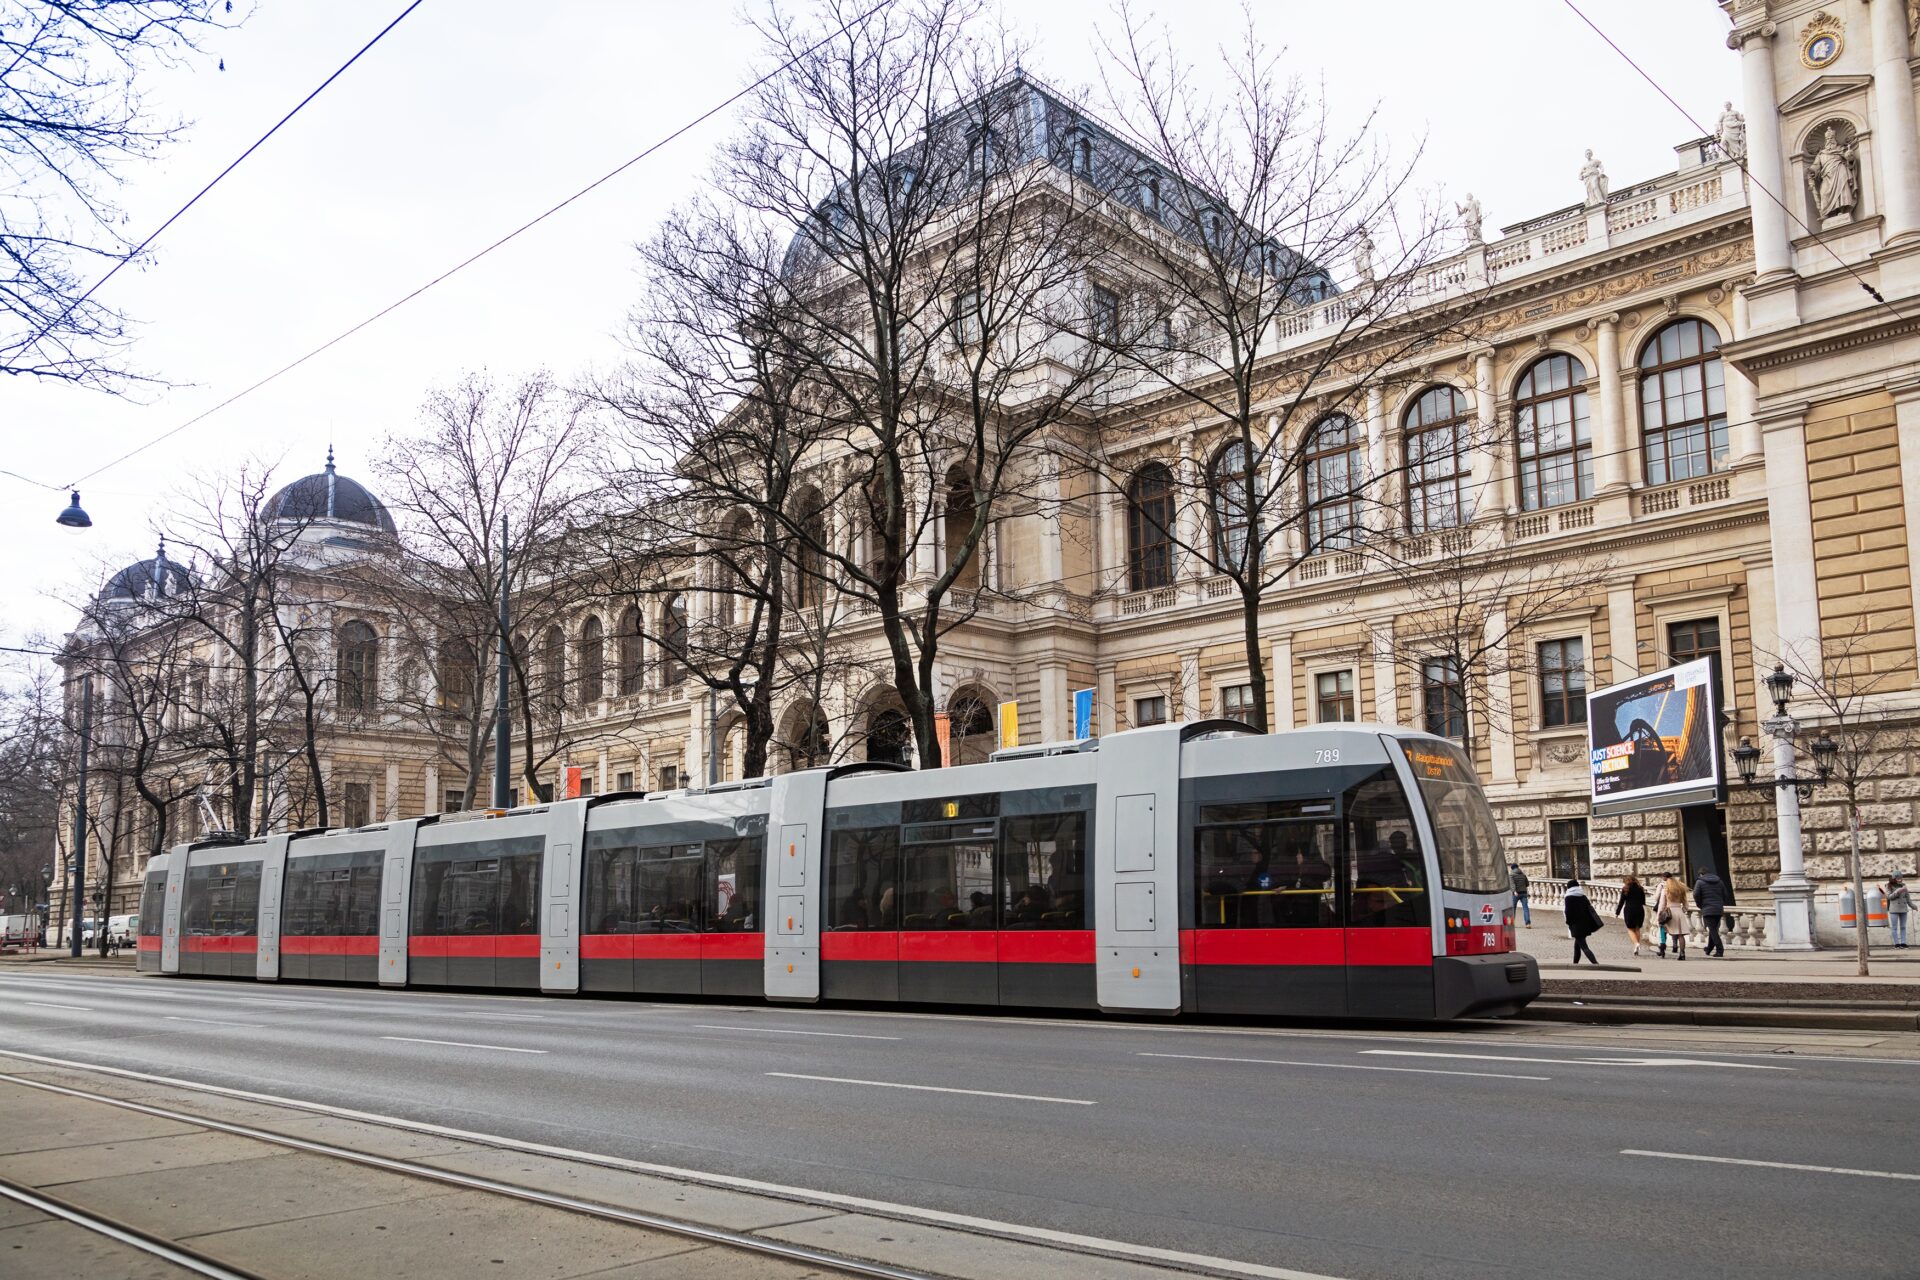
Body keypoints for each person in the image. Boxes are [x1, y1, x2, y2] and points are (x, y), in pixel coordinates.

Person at [1692, 867, 1729, 957]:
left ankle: (1720, 950)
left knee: (1712, 930)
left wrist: (1700, 905)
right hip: (1718, 908)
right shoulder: (1719, 881)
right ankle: (1709, 949)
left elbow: (1696, 894)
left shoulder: (1699, 882)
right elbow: (1725, 894)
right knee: (1713, 929)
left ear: (1701, 874)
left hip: (1707, 908)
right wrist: (1720, 903)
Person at [1564, 879, 1603, 965]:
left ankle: (1595, 964)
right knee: (1577, 946)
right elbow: (1589, 909)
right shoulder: (1583, 896)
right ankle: (1575, 964)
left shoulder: (1568, 897)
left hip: (1576, 925)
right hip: (1585, 924)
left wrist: (1568, 922)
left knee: (1584, 947)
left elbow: (1568, 912)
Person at [1653, 873, 1689, 960]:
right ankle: (1682, 953)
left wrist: (1659, 915)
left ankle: (1662, 949)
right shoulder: (1681, 889)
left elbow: (1661, 904)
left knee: (1663, 929)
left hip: (1669, 912)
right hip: (1679, 911)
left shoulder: (1666, 889)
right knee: (1680, 935)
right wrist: (1683, 910)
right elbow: (1686, 904)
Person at [1616, 874, 1647, 956]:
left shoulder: (1625, 889)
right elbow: (1643, 901)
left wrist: (1617, 912)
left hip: (1629, 910)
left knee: (1630, 929)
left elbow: (1621, 902)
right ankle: (1636, 948)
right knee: (1637, 928)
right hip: (1639, 909)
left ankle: (1636, 943)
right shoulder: (1640, 888)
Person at [1885, 874, 1911, 949]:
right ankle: (1897, 944)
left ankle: (1903, 943)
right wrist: (1898, 891)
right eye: (1898, 878)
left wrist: (1913, 906)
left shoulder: (1904, 885)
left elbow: (1907, 898)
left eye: (1901, 878)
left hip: (1903, 908)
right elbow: (1889, 897)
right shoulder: (1888, 885)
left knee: (1903, 927)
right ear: (1894, 878)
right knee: (1894, 927)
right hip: (1894, 909)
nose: (1900, 879)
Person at [1508, 861, 1532, 927]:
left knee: (1513, 908)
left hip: (1516, 894)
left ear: (1512, 868)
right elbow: (1527, 884)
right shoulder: (1523, 875)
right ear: (1518, 867)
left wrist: (1514, 891)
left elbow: (1512, 884)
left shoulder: (1511, 875)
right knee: (1525, 908)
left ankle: (1511, 923)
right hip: (1524, 893)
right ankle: (1528, 923)